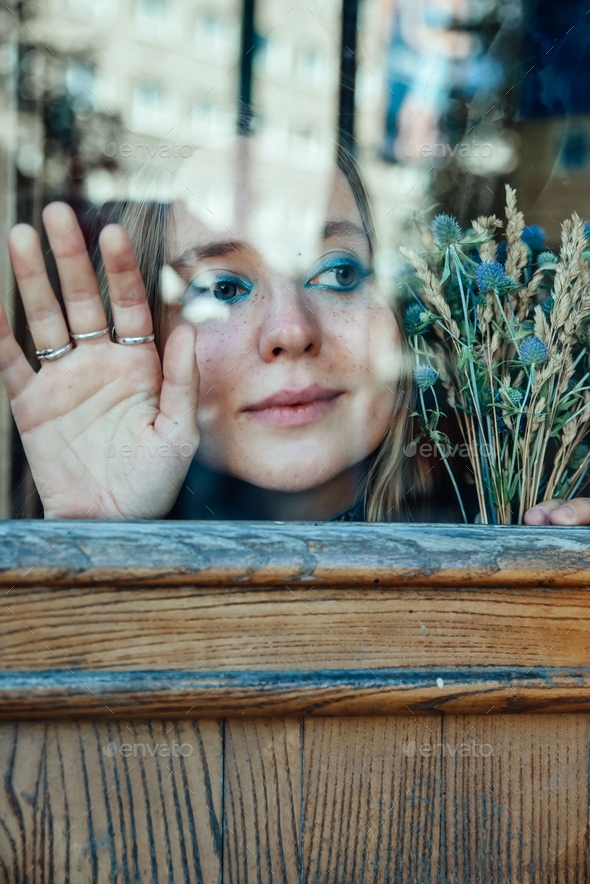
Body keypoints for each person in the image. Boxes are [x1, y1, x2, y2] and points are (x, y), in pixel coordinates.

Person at [0, 138, 586, 526]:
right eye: (223, 288)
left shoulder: (506, 520)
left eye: (338, 272)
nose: (293, 330)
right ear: (140, 334)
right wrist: (98, 547)